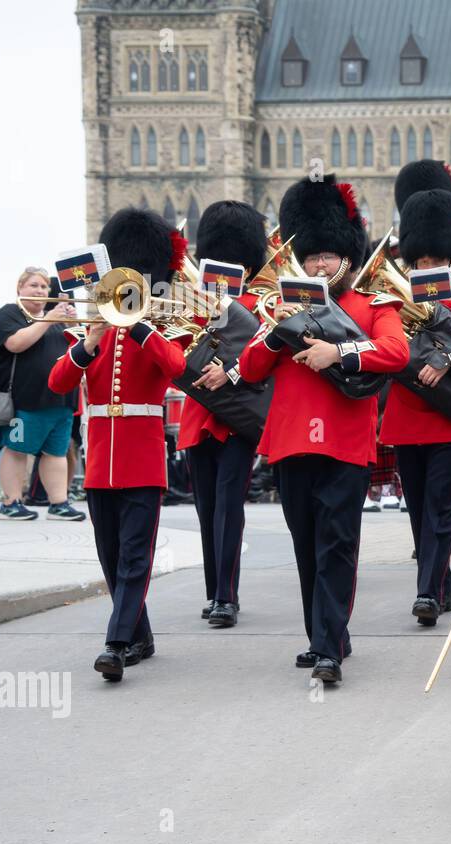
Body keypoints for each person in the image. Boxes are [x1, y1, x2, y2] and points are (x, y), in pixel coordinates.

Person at [239, 174, 409, 684]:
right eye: (311, 256)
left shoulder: (372, 305)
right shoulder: (282, 306)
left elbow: (396, 353)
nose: (319, 264)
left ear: (347, 258)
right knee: (306, 545)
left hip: (344, 443)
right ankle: (328, 631)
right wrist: (277, 333)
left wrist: (341, 351)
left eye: (328, 256)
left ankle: (327, 646)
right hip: (291, 443)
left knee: (337, 544)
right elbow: (248, 371)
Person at [48, 209, 189, 680]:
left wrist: (143, 326)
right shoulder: (95, 332)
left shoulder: (156, 332)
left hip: (143, 460)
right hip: (101, 464)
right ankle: (141, 635)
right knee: (112, 557)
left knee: (134, 558)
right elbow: (57, 381)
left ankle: (116, 641)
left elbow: (176, 368)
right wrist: (88, 343)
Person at [381, 187, 451, 626]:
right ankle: (441, 584)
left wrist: (449, 360)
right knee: (417, 506)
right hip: (409, 410)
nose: (426, 267)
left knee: (441, 506)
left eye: (434, 259)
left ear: (450, 256)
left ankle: (426, 591)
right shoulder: (396, 292)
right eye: (420, 260)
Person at [180, 199, 268, 628]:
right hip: (199, 413)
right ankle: (213, 589)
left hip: (238, 415)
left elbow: (267, 351)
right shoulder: (194, 300)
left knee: (228, 505)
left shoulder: (259, 299)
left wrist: (231, 372)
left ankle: (226, 597)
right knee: (205, 507)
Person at [0, 267, 84, 521]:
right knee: (16, 449)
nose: (40, 291)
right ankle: (10, 503)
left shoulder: (55, 318)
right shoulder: (9, 313)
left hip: (61, 400)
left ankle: (58, 503)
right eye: (33, 286)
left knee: (57, 452)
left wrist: (74, 325)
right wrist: (51, 318)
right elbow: (16, 343)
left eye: (43, 287)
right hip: (25, 400)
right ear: (20, 288)